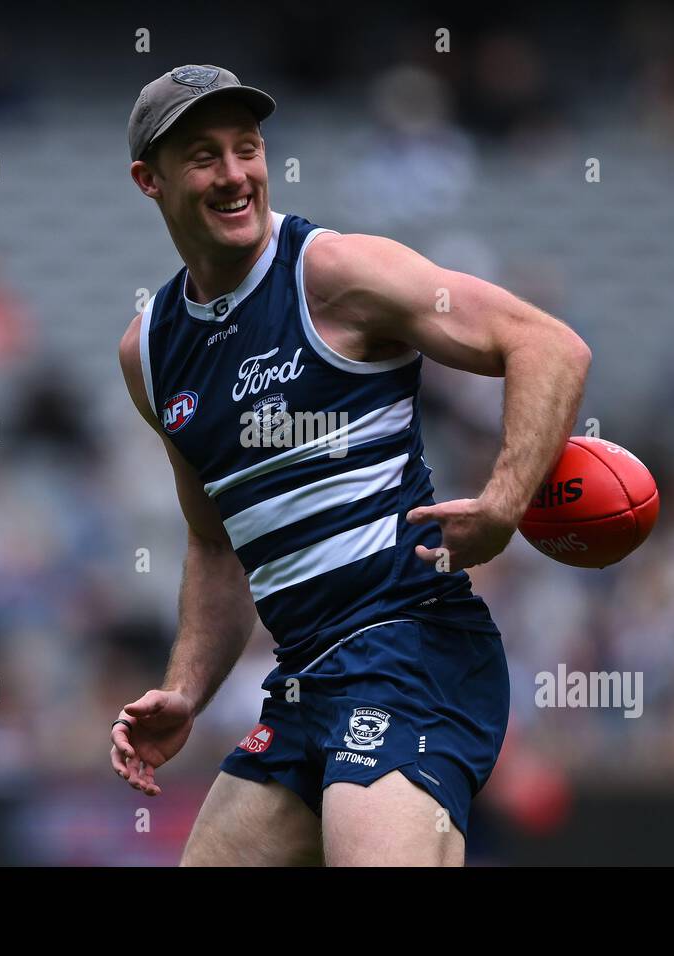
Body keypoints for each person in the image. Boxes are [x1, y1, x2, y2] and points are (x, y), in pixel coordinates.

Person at [110, 64, 590, 866]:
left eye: (247, 148)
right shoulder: (152, 353)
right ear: (148, 180)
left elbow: (546, 344)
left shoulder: (331, 274)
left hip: (411, 649)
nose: (235, 174)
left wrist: (505, 502)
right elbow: (217, 542)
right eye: (203, 156)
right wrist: (188, 689)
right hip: (304, 682)